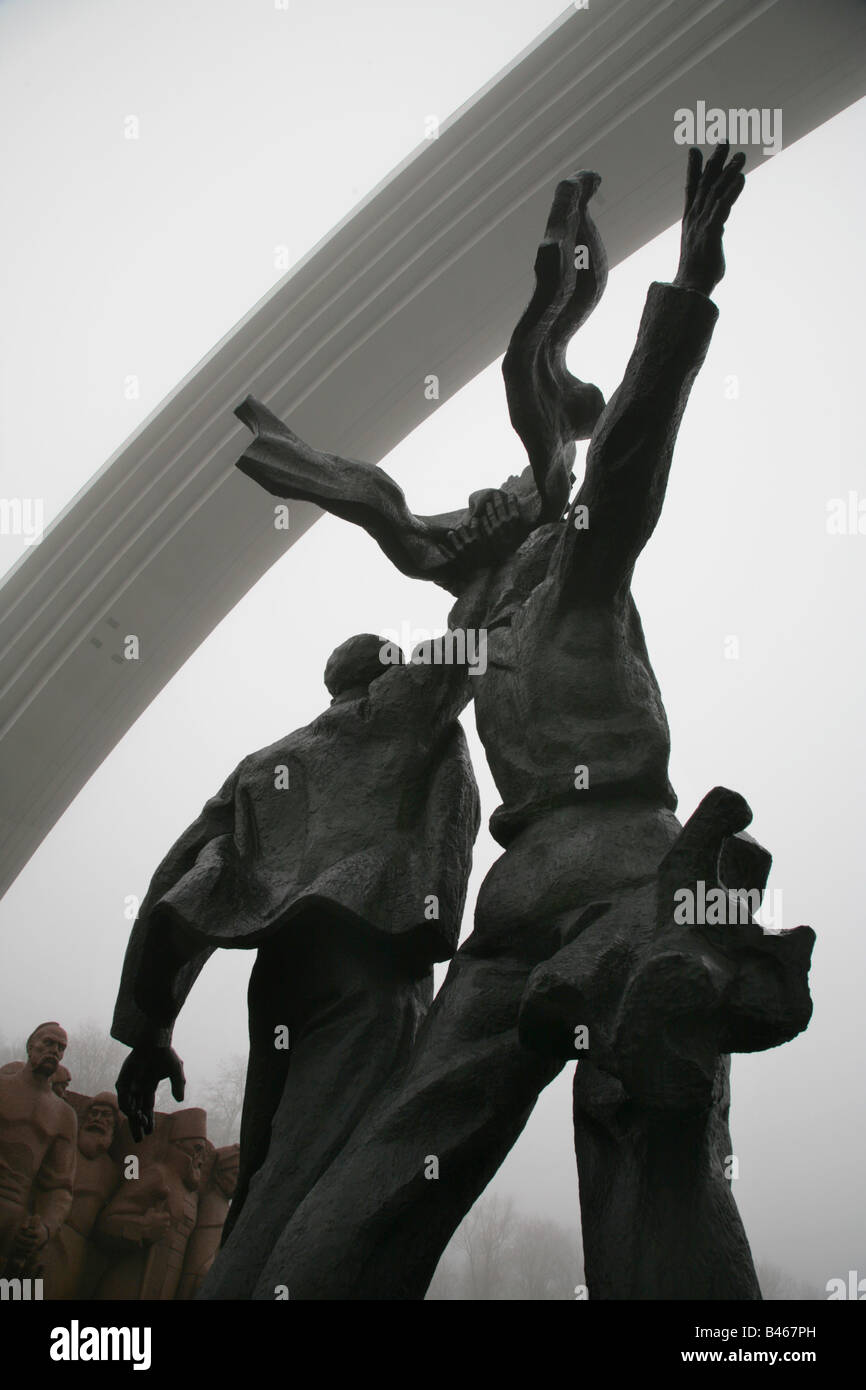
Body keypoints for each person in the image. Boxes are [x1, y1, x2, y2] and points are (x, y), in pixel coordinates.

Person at [222, 145, 751, 1299]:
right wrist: (327, 482)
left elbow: (621, 460)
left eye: (504, 510)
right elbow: (403, 548)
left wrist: (685, 295)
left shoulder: (583, 571)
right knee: (385, 1175)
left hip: (624, 885)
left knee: (650, 1139)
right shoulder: (477, 636)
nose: (487, 519)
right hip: (511, 918)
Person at [111, 628, 481, 1298]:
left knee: (261, 1174)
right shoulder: (399, 715)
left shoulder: (266, 762)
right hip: (367, 972)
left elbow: (179, 873)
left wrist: (150, 1031)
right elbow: (469, 643)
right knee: (313, 1174)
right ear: (388, 677)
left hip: (281, 974)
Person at [0, 1021, 76, 1275]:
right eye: (48, 1043)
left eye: (61, 1048)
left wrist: (44, 1228)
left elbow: (59, 1186)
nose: (54, 1051)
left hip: (13, 1224)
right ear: (31, 1046)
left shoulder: (64, 1116)